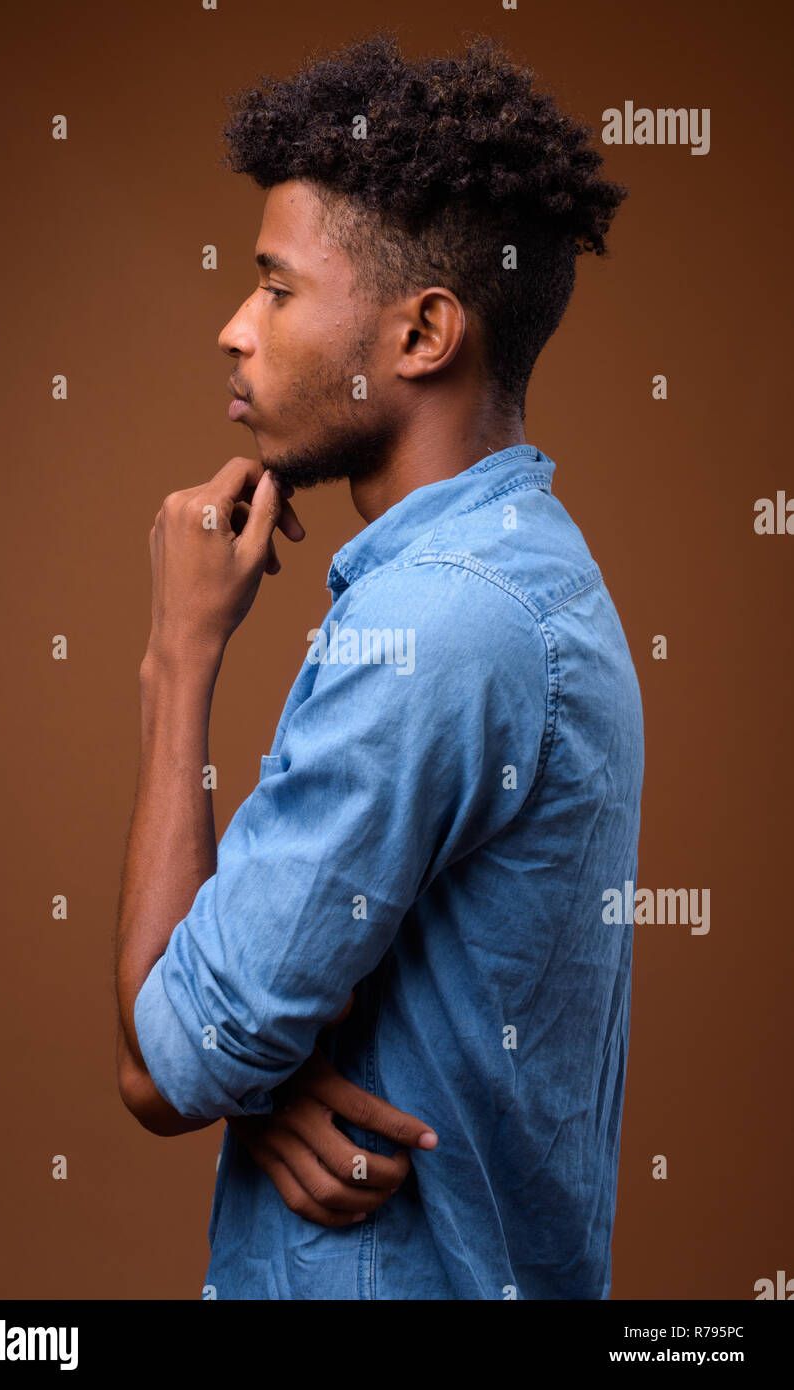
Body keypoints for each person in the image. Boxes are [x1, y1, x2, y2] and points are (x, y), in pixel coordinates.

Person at [114, 31, 645, 1300]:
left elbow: (160, 1066)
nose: (234, 330)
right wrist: (267, 1073)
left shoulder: (438, 629)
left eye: (279, 289)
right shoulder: (536, 576)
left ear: (421, 334)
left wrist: (177, 662)